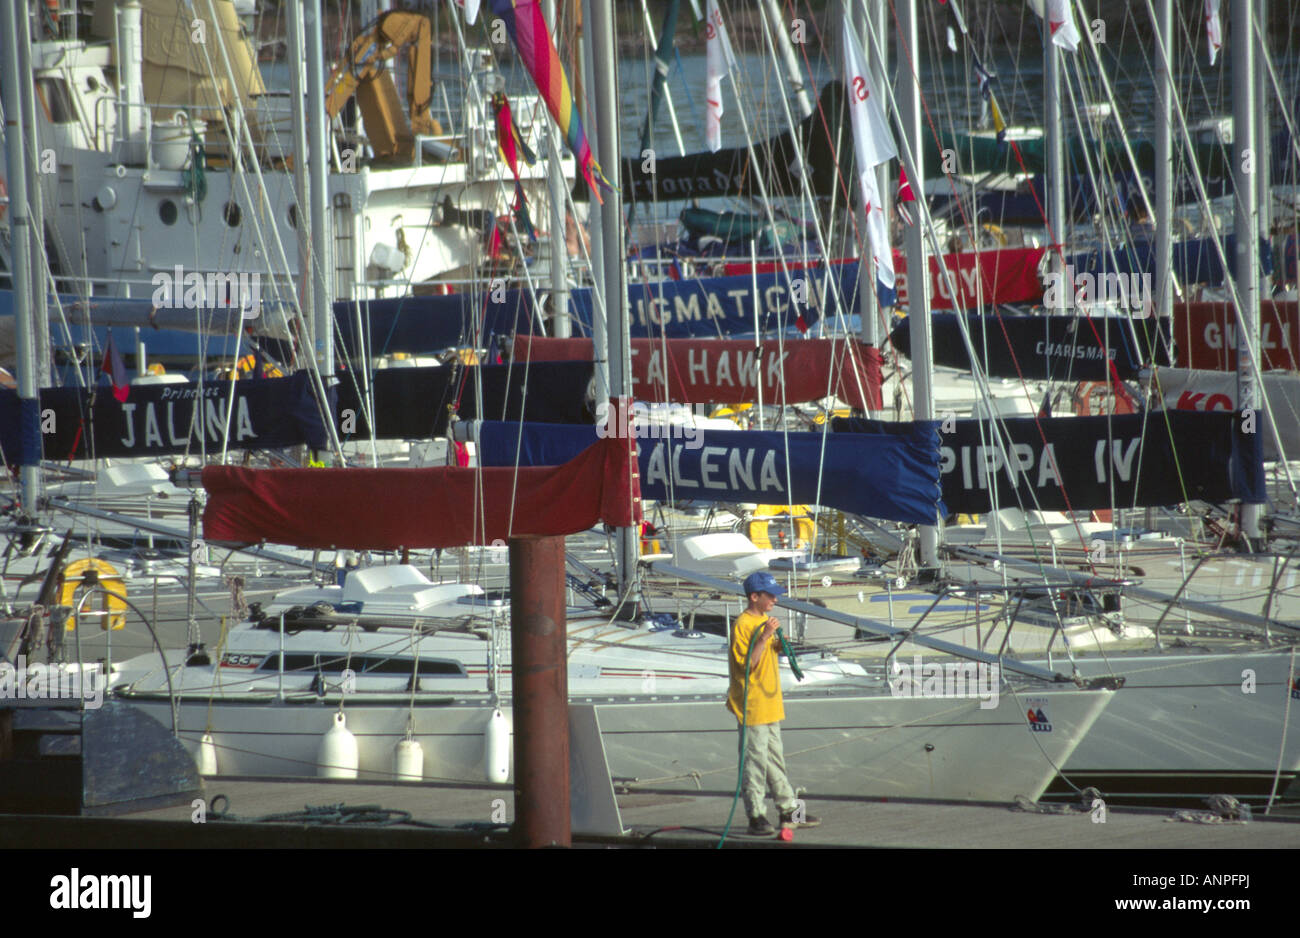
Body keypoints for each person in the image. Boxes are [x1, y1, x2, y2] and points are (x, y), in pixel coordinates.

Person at [727, 570, 820, 835]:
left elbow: (768, 651)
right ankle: (755, 816)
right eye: (770, 596)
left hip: (770, 704)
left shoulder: (765, 620)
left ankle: (790, 811)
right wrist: (766, 637)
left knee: (776, 760)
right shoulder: (743, 625)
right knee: (754, 763)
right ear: (754, 597)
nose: (774, 600)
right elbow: (747, 665)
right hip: (751, 705)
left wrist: (779, 643)